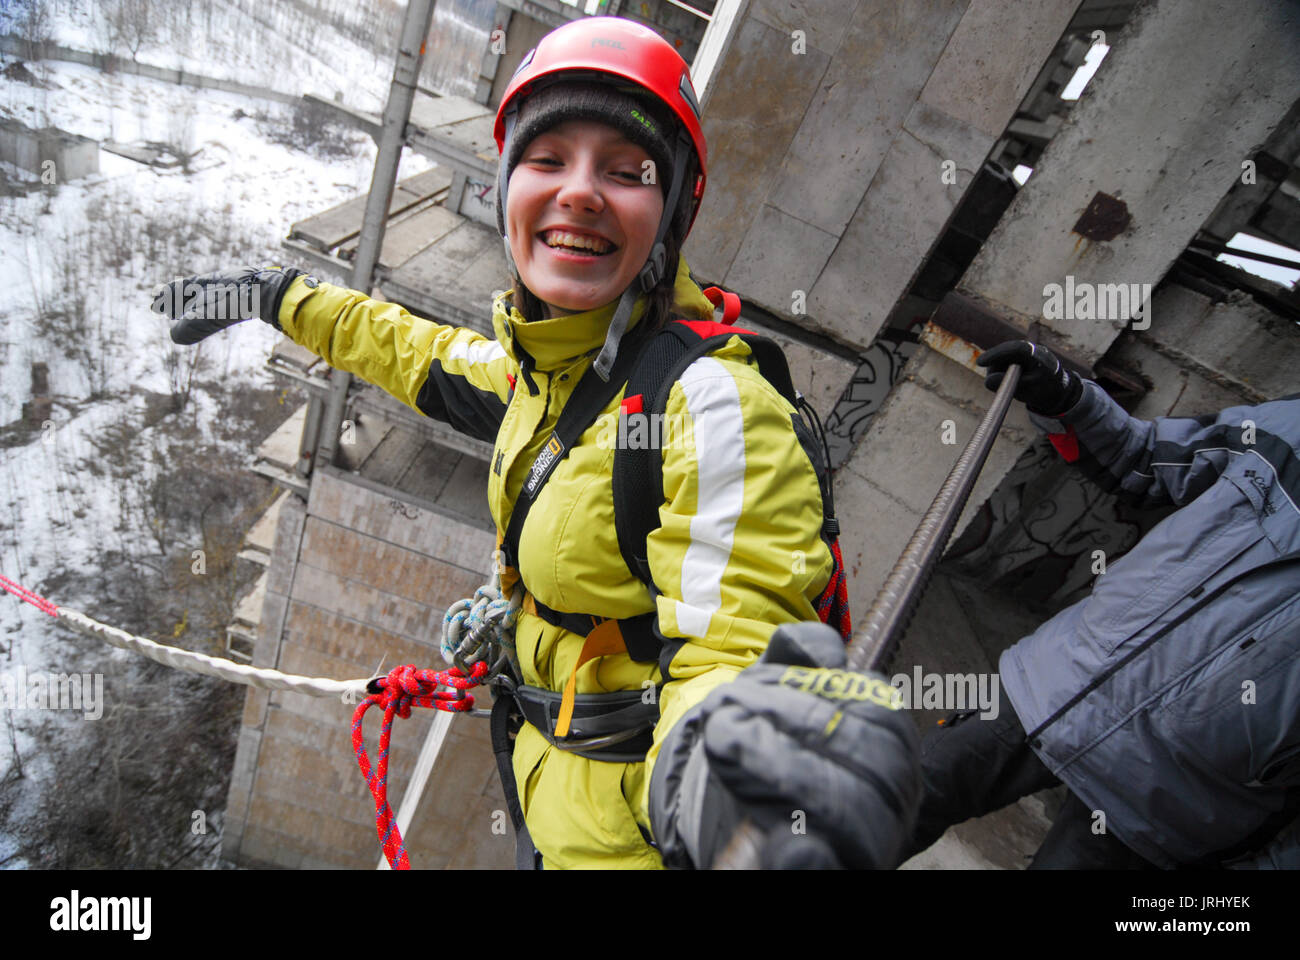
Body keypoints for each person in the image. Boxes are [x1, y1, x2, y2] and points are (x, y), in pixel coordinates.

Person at [153, 16, 919, 870]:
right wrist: (276, 295)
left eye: (627, 172)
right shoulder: (542, 376)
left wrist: (726, 787)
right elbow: (410, 349)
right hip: (543, 779)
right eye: (546, 158)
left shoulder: (710, 406)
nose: (581, 191)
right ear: (507, 185)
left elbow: (735, 641)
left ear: (672, 214)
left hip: (626, 835)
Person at [903, 340, 1300, 869]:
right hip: (1061, 682)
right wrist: (1068, 399)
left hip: (1176, 803)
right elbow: (1145, 459)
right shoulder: (1290, 428)